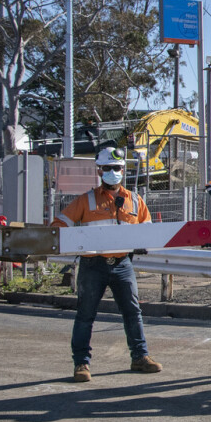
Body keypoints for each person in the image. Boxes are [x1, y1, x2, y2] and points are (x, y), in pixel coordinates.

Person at [52, 147, 162, 383]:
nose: (113, 172)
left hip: (122, 263)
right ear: (99, 171)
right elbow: (59, 225)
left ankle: (140, 356)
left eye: (117, 168)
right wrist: (75, 242)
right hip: (93, 264)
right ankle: (81, 363)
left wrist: (143, 243)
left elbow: (148, 229)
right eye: (108, 168)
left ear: (123, 169)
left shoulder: (134, 200)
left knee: (133, 312)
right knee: (86, 314)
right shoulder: (86, 200)